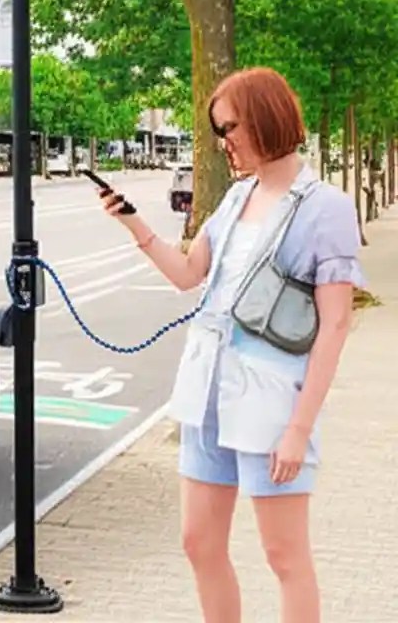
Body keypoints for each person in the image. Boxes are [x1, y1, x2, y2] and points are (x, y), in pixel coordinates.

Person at [93, 67, 364, 623]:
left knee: (284, 555)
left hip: (272, 401)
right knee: (198, 543)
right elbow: (188, 274)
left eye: (230, 128)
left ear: (265, 119)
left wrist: (299, 429)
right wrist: (135, 225)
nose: (224, 143)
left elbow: (335, 325)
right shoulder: (237, 198)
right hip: (208, 392)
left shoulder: (326, 208)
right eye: (218, 131)